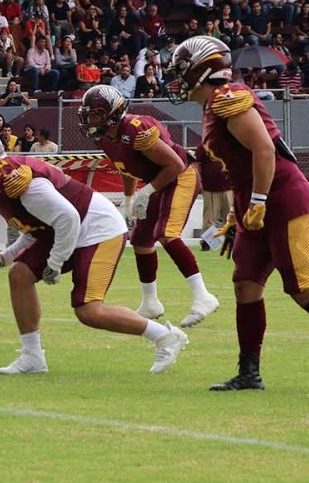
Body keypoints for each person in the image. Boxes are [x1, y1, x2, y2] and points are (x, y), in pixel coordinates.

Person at [167, 35, 309, 392]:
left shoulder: (227, 99)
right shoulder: (214, 106)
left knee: (302, 288)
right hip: (256, 201)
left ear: (201, 69)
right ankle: (249, 372)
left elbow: (264, 150)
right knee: (246, 284)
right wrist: (241, 212)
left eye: (181, 70)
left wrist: (257, 201)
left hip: (281, 200)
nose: (176, 77)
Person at [0, 129, 187, 376]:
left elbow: (68, 217)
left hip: (97, 228)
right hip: (70, 229)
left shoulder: (16, 181)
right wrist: (5, 257)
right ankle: (32, 357)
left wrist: (56, 261)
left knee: (89, 310)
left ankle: (166, 337)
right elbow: (37, 227)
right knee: (19, 274)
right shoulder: (0, 182)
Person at [80, 85, 219, 327]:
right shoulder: (105, 137)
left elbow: (174, 165)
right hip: (157, 181)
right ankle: (150, 302)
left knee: (167, 234)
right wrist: (129, 198)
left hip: (181, 175)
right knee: (141, 240)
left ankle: (203, 296)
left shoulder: (137, 129)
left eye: (95, 114)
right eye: (88, 113)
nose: (90, 119)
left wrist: (147, 192)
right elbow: (126, 167)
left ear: (112, 113)